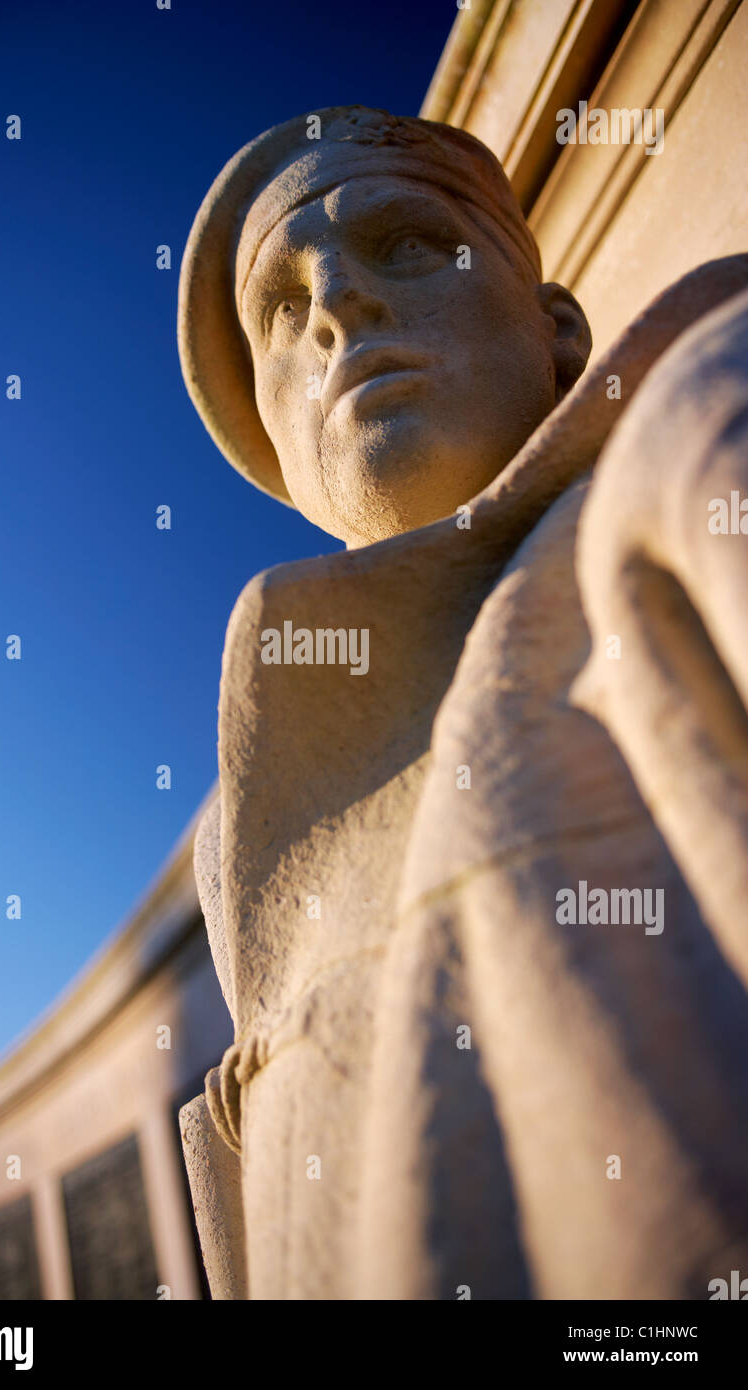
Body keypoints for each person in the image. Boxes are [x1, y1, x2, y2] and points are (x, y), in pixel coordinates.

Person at [177, 105, 748, 1299]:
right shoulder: (233, 843)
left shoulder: (707, 427)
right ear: (283, 454)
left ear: (556, 329)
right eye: (282, 308)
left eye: (398, 242)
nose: (336, 302)